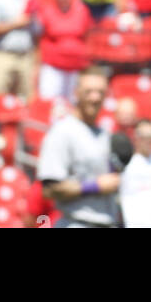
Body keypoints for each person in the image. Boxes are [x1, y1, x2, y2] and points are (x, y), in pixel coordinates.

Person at [38, 67, 121, 228]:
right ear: (76, 93)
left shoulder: (104, 133)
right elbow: (49, 189)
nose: (95, 98)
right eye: (88, 91)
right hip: (76, 222)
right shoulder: (63, 131)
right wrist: (94, 186)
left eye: (100, 92)